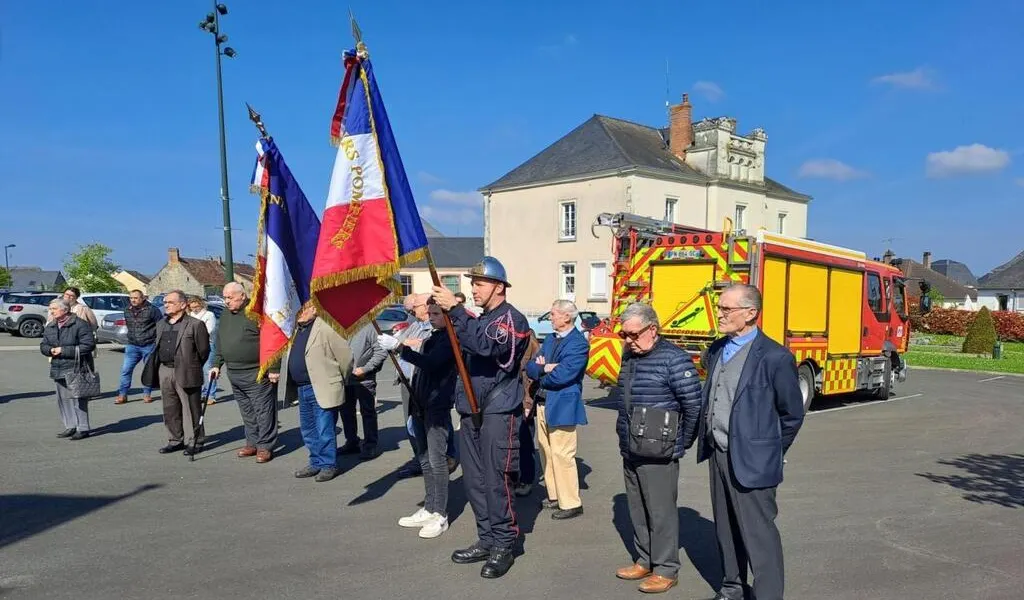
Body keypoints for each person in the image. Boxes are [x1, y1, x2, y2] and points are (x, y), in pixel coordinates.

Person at [695, 284, 804, 600]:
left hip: (755, 460)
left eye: (726, 309)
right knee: (725, 528)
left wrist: (771, 451)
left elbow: (791, 414)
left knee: (759, 534)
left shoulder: (775, 357)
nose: (720, 313)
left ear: (751, 313)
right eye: (720, 307)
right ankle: (732, 588)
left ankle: (768, 595)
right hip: (718, 453)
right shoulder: (717, 350)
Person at [430, 256, 531, 580]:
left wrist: (456, 312)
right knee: (474, 481)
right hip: (471, 411)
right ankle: (486, 538)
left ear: (498, 287)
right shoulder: (481, 318)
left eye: (479, 283)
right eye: (472, 283)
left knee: (496, 480)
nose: (473, 289)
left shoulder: (511, 319)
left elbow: (486, 347)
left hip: (499, 411)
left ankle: (504, 543)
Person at [613, 302, 702, 594]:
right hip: (631, 445)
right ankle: (645, 559)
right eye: (624, 335)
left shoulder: (675, 360)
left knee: (661, 511)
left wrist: (681, 442)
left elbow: (693, 406)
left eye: (633, 335)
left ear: (653, 329)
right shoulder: (630, 355)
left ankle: (666, 568)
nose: (628, 341)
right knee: (637, 508)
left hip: (659, 450)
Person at [395, 299, 457, 538]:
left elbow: (431, 364)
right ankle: (430, 506)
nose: (430, 316)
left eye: (436, 313)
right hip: (420, 404)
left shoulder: (449, 339)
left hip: (437, 406)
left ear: (447, 315)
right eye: (429, 312)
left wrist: (402, 349)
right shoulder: (432, 337)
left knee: (436, 459)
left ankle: (440, 513)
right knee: (423, 458)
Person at [524, 299, 590, 520]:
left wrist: (543, 370)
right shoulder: (551, 339)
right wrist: (545, 367)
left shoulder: (578, 343)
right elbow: (531, 367)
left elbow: (565, 375)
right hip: (542, 403)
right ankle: (555, 496)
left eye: (553, 314)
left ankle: (571, 502)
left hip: (562, 404)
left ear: (566, 317)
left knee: (563, 454)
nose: (549, 317)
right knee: (546, 452)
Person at [210, 282, 279, 464]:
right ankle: (252, 442)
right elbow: (220, 340)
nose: (226, 301)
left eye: (230, 297)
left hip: (256, 372)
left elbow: (273, 339)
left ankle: (265, 446)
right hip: (235, 372)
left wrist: (274, 368)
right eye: (225, 297)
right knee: (247, 411)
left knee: (263, 410)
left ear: (242, 295)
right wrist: (216, 363)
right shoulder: (225, 314)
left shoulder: (256, 312)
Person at [283, 305, 353, 483]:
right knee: (308, 429)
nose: (299, 312)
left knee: (324, 428)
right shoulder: (296, 330)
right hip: (302, 387)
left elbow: (345, 358)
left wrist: (339, 380)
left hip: (322, 387)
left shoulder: (328, 326)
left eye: (303, 308)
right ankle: (315, 461)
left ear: (314, 309)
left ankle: (328, 465)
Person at [150, 290, 211, 456]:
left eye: (170, 302)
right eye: (165, 303)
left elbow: (203, 351)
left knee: (191, 409)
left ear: (183, 304)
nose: (166, 305)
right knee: (169, 408)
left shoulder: (195, 324)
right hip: (165, 369)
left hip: (186, 371)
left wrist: (192, 366)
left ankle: (195, 440)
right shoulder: (161, 324)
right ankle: (175, 440)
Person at [40, 298, 96, 440]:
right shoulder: (51, 326)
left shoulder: (80, 324)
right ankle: (70, 426)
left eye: (54, 309)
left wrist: (63, 350)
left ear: (65, 310)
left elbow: (88, 345)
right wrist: (49, 350)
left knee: (79, 398)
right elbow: (43, 345)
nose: (51, 311)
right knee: (63, 399)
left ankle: (82, 428)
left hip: (77, 367)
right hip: (58, 367)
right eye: (50, 309)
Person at [339, 322, 387, 460]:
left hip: (364, 378)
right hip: (344, 378)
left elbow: (381, 351)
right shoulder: (339, 326)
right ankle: (352, 441)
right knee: (346, 412)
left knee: (368, 412)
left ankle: (370, 445)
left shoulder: (368, 327)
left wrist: (365, 369)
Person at [116, 290, 162, 405]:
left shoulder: (152, 310)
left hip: (149, 344)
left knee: (149, 371)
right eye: (131, 298)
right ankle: (122, 394)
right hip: (132, 345)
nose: (133, 300)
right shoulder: (127, 310)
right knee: (126, 370)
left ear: (143, 298)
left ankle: (147, 394)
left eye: (136, 298)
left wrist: (157, 342)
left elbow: (161, 326)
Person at [513, 330, 541, 497]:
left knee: (525, 441)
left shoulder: (528, 339)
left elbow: (533, 376)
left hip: (523, 398)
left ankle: (527, 479)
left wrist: (528, 402)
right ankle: (513, 477)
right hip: (506, 398)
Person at [187, 296, 220, 405]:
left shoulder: (209, 315)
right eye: (192, 307)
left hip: (207, 345)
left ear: (201, 304)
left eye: (196, 306)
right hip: (193, 346)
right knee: (197, 371)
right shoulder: (190, 315)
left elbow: (209, 330)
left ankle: (211, 395)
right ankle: (202, 394)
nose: (195, 309)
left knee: (208, 370)